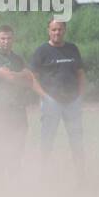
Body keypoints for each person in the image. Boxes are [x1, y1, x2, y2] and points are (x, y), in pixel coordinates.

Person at [29, 19, 86, 179]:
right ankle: (44, 175)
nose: (57, 33)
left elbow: (81, 74)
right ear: (48, 30)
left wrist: (80, 96)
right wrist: (45, 97)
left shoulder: (72, 49)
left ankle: (81, 176)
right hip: (51, 103)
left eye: (60, 29)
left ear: (64, 30)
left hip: (72, 102)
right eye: (53, 30)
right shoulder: (42, 51)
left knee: (77, 140)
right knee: (47, 140)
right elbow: (32, 78)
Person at [0, 25, 33, 173]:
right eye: (3, 38)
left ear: (13, 39)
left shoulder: (17, 58)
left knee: (19, 144)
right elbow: (10, 77)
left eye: (9, 38)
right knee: (4, 144)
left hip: (19, 108)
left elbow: (29, 79)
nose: (6, 41)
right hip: (3, 109)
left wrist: (16, 76)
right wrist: (19, 75)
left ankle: (14, 176)